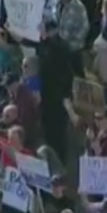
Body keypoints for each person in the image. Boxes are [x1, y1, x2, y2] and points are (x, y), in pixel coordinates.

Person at [36, 20, 77, 160]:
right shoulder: (47, 45)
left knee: (57, 132)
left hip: (58, 95)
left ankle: (60, 160)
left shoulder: (59, 47)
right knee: (48, 130)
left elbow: (56, 65)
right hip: (47, 94)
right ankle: (53, 159)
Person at [57, 0, 91, 66]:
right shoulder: (62, 4)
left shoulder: (75, 7)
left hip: (73, 46)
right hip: (66, 45)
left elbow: (65, 33)